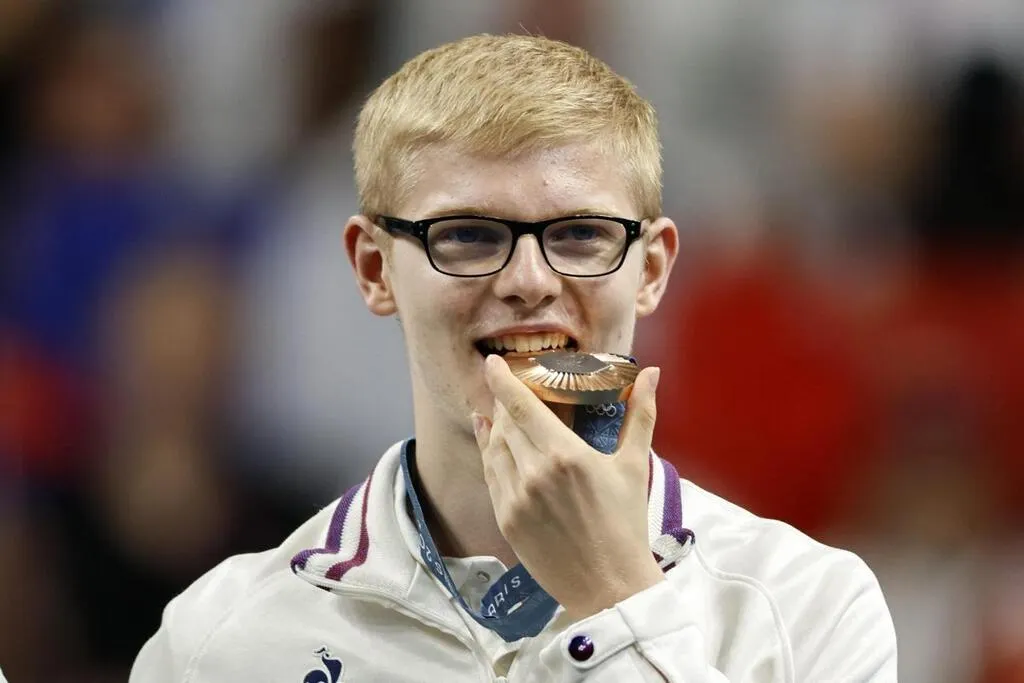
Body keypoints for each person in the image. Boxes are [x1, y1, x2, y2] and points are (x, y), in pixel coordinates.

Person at [130, 34, 897, 681]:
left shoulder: (809, 608)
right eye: (467, 235)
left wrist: (616, 597)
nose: (530, 280)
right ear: (373, 268)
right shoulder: (219, 643)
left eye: (580, 234)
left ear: (654, 267)